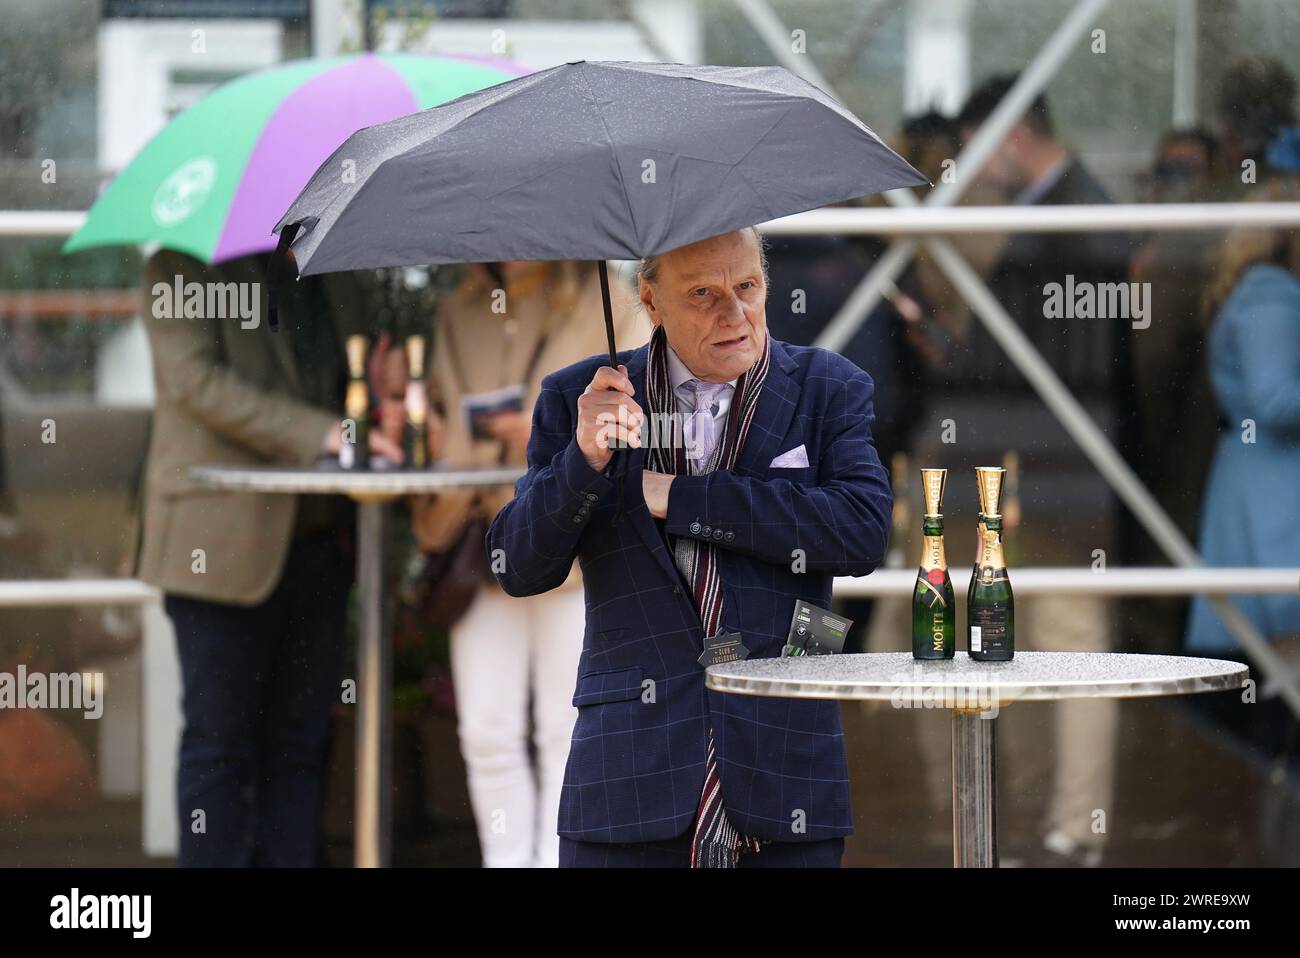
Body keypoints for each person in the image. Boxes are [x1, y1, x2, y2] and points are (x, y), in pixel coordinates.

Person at [486, 227, 893, 868]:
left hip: (785, 769)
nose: (733, 314)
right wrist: (584, 460)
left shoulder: (827, 387)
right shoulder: (579, 399)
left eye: (747, 287)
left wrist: (679, 497)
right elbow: (519, 565)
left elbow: (859, 532)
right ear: (650, 300)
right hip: (627, 780)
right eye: (702, 292)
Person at [136, 248, 401, 866]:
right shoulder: (178, 268)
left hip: (319, 542)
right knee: (218, 745)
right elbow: (198, 384)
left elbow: (350, 389)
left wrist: (375, 393)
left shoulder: (333, 269)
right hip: (217, 543)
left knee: (302, 745)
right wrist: (326, 433)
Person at [410, 260, 649, 867]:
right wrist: (434, 427)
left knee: (566, 730)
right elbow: (437, 429)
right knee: (486, 733)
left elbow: (653, 423)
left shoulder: (611, 304)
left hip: (579, 552)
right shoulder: (458, 311)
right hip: (486, 543)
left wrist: (554, 438)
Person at [953, 75, 1133, 867]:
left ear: (1013, 137)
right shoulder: (1053, 210)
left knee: (1072, 635)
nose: (967, 164)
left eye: (975, 147)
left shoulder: (1079, 214)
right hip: (1034, 460)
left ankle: (1074, 829)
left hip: (1061, 463)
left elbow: (1075, 352)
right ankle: (1039, 816)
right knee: (1019, 630)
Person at [1184, 143, 1300, 762]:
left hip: (1258, 487)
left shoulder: (1257, 288)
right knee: (1283, 679)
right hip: (1275, 497)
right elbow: (1277, 401)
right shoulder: (1270, 294)